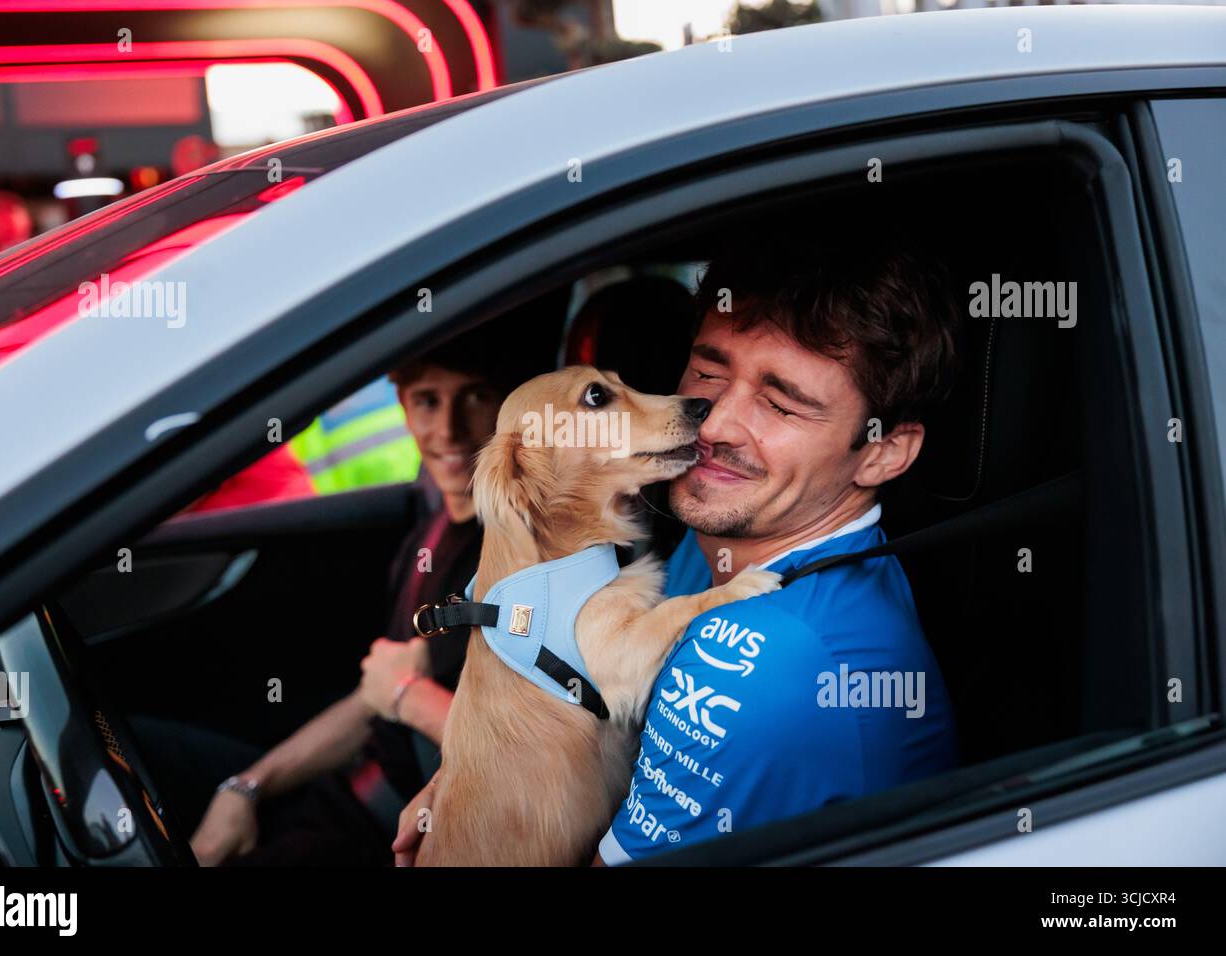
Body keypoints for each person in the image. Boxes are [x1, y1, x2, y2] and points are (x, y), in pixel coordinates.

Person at [392, 236, 962, 865]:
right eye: (709, 373)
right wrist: (474, 790)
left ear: (885, 450)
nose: (712, 425)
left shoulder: (763, 669)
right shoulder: (732, 537)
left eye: (779, 404)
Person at [188, 331, 544, 866]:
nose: (447, 429)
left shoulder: (520, 561)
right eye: (427, 401)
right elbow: (370, 697)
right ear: (402, 404)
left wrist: (405, 692)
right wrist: (245, 788)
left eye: (475, 397)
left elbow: (527, 765)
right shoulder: (432, 530)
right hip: (350, 793)